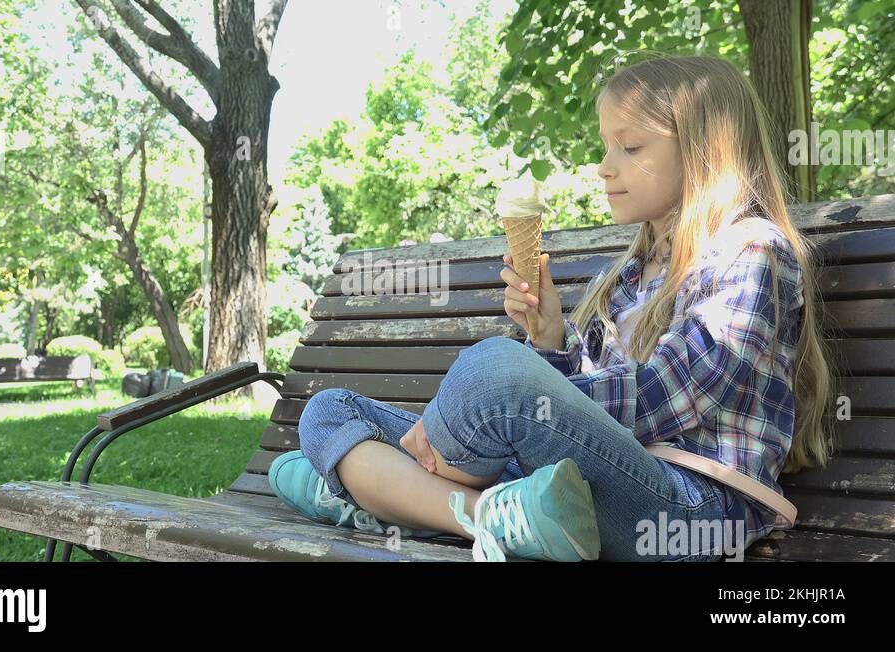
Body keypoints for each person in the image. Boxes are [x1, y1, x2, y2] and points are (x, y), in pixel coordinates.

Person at [270, 54, 837, 562]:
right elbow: (575, 418)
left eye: (631, 147)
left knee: (491, 369)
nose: (604, 166)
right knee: (331, 411)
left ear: (704, 151)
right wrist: (548, 344)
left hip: (690, 509)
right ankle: (493, 517)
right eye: (606, 147)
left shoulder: (752, 251)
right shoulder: (633, 271)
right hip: (584, 487)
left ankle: (385, 495)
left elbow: (662, 400)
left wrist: (471, 414)